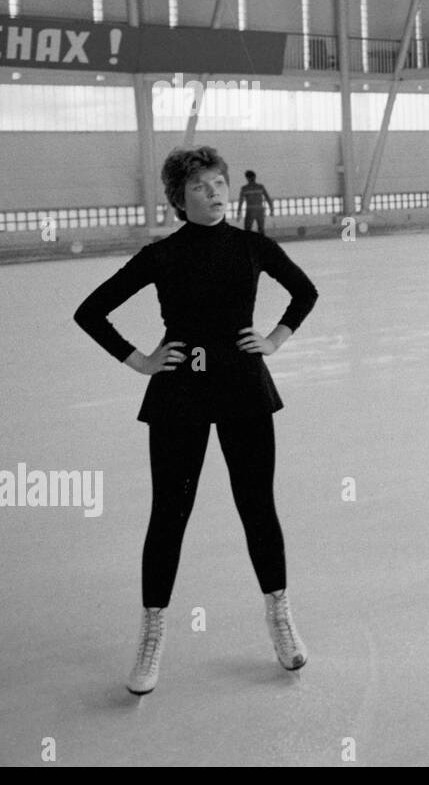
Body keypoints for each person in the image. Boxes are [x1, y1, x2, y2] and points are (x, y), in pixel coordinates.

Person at [74, 145, 318, 696]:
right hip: (180, 395)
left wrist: (275, 339)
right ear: (179, 202)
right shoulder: (162, 255)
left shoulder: (253, 246)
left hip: (244, 392)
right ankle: (152, 632)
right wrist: (140, 360)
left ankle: (279, 617)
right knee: (169, 513)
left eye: (217, 183)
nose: (213, 194)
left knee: (257, 506)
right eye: (199, 188)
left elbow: (305, 292)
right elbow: (91, 310)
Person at [237, 169, 274, 234]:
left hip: (250, 210)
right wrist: (271, 209)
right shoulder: (260, 187)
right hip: (260, 210)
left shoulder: (245, 188)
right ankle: (262, 243)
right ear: (255, 177)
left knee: (247, 230)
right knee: (261, 229)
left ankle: (248, 243)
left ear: (247, 178)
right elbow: (268, 198)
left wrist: (239, 212)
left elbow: (241, 201)